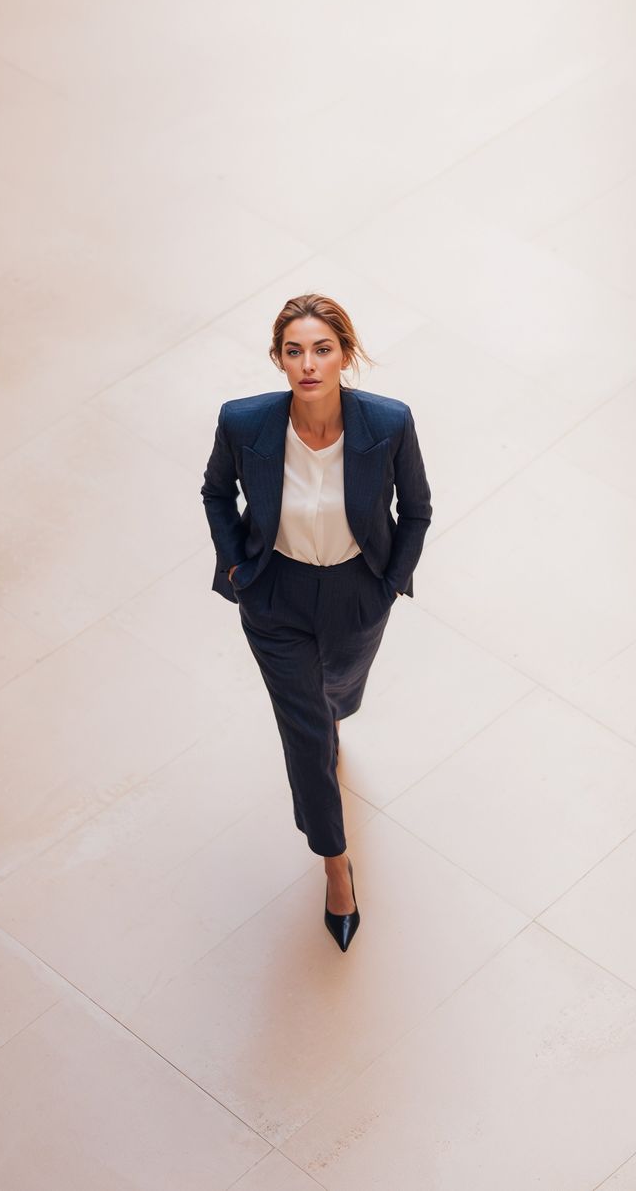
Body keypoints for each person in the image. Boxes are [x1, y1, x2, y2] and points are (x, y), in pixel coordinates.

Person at [200, 293, 432, 951]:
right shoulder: (244, 423)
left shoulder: (387, 422)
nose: (308, 363)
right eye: (294, 351)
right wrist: (239, 567)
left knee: (340, 694)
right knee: (307, 737)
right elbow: (217, 490)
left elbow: (416, 508)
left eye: (322, 349)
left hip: (360, 589)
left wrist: (387, 587)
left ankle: (333, 712)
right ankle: (335, 865)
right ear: (278, 358)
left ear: (346, 355)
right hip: (275, 594)